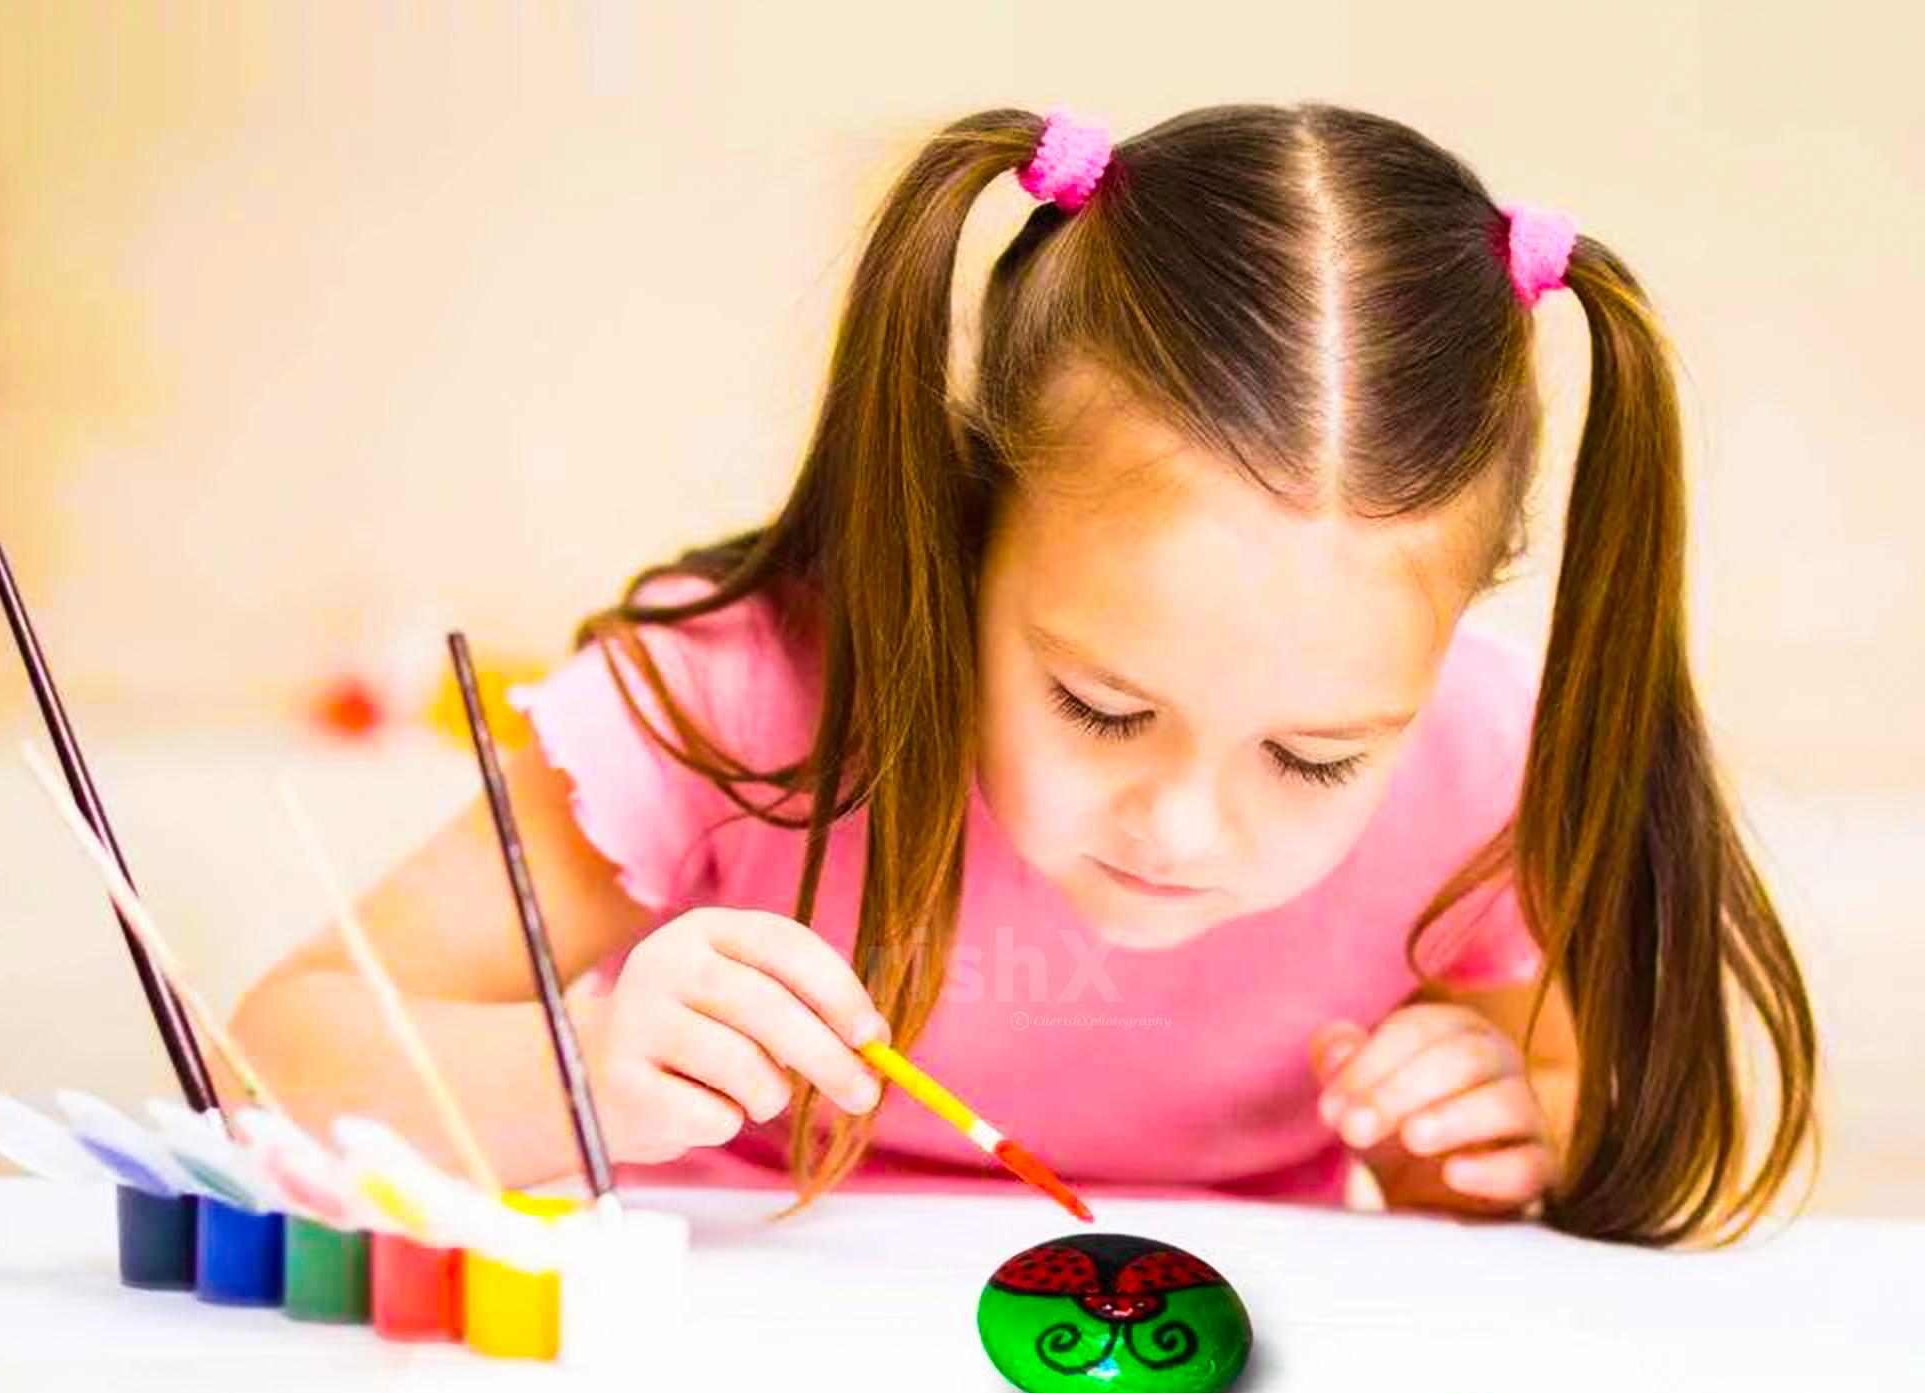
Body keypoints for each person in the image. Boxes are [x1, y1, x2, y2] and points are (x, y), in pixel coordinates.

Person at [233, 103, 1816, 1244]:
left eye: (1319, 758)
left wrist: (1487, 1132)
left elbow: (1588, 1089)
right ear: (968, 531)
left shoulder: (1480, 760)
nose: (1182, 828)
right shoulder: (734, 711)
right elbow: (270, 1053)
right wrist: (575, 1071)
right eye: (1103, 707)